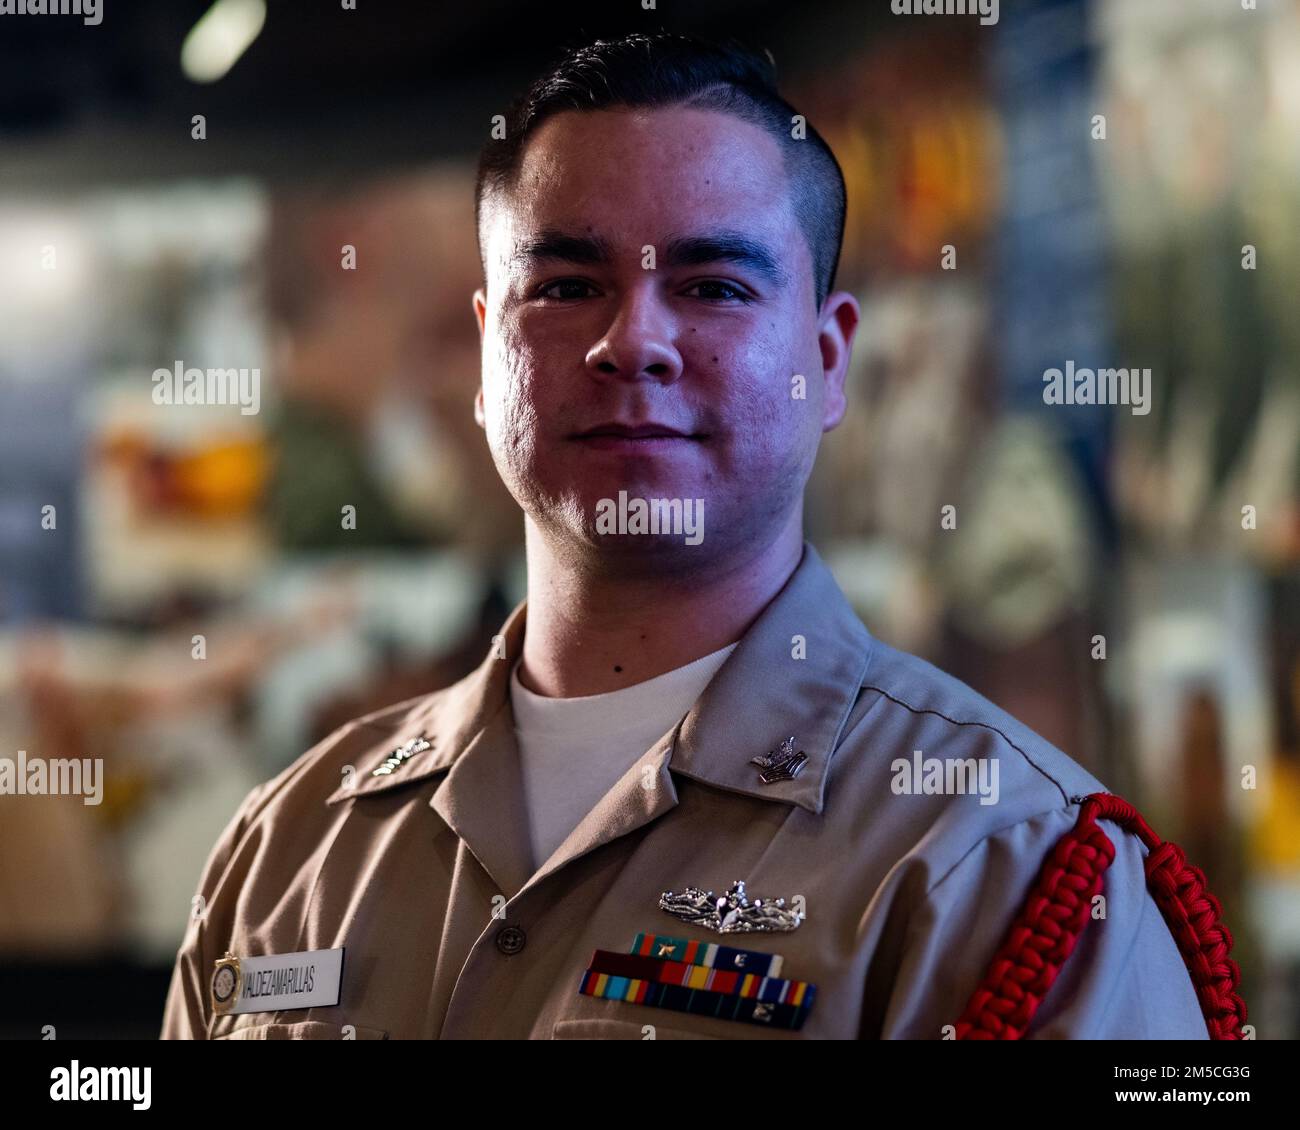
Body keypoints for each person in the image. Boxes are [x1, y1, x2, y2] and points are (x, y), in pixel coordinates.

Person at [161, 31, 1243, 1040]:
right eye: (568, 284)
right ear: (490, 357)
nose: (633, 342)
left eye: (712, 285)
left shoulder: (1002, 870)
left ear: (827, 358)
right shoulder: (289, 850)